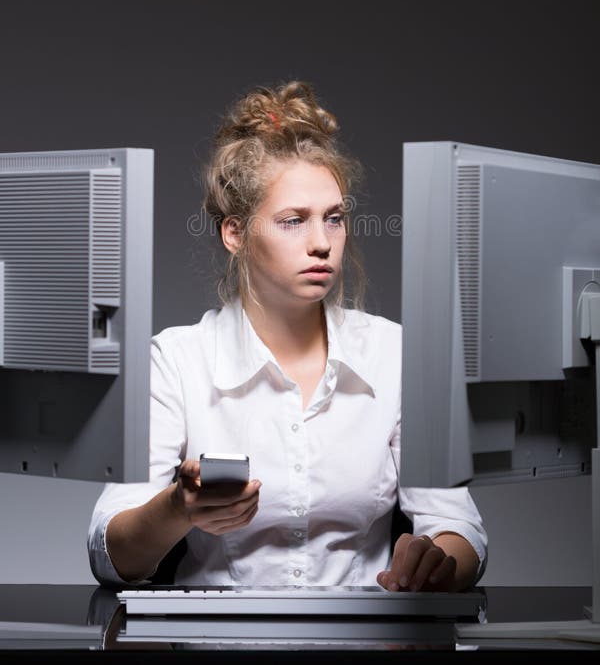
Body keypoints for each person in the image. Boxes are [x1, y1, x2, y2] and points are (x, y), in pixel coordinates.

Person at [88, 80, 487, 590]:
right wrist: (177, 508)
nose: (322, 243)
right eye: (293, 221)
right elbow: (108, 552)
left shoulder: (396, 354)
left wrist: (440, 564)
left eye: (334, 219)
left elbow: (461, 528)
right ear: (234, 233)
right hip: (214, 647)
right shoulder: (175, 360)